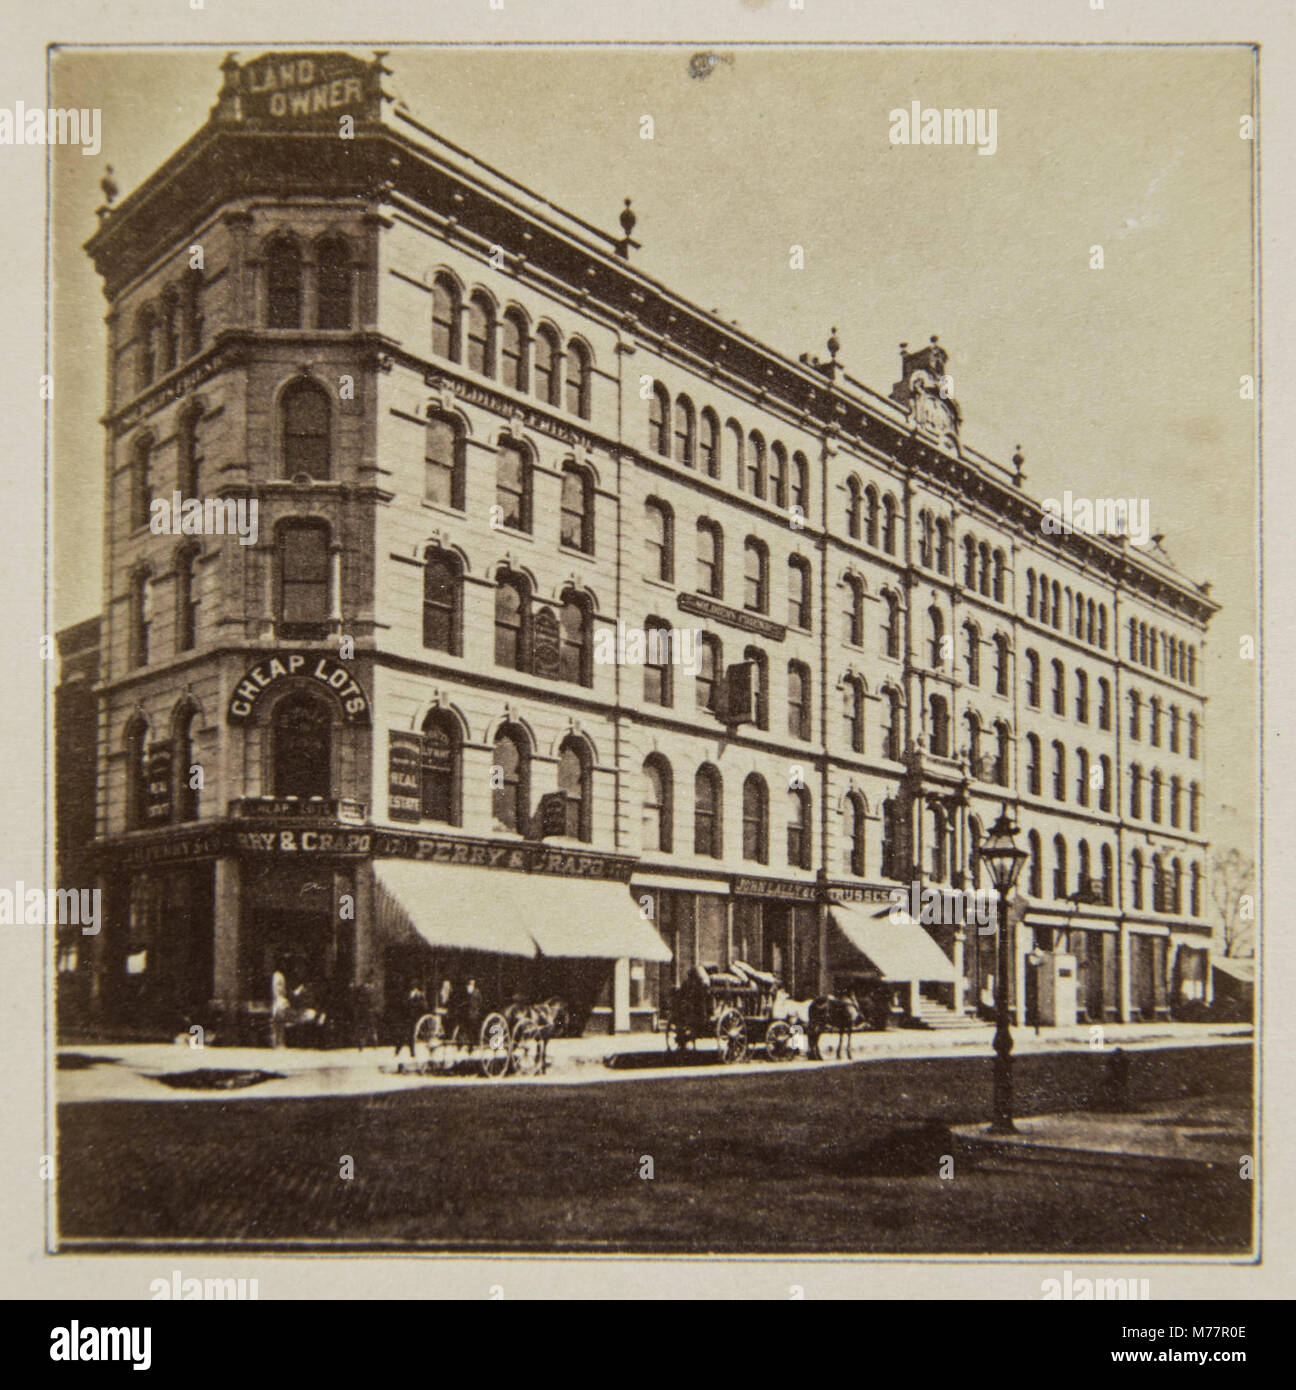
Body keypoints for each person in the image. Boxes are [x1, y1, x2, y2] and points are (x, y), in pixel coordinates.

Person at [394, 980, 428, 1058]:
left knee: (412, 1035)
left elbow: (424, 1006)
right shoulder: (406, 994)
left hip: (415, 1018)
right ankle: (398, 1050)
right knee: (403, 1034)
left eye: (414, 986)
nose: (412, 988)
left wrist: (417, 1011)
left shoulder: (420, 995)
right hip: (406, 1017)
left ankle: (412, 1052)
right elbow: (402, 1004)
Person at [269, 966, 290, 1050]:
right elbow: (278, 989)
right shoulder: (278, 976)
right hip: (279, 1001)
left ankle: (278, 1043)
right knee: (278, 1023)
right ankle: (277, 1043)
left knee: (278, 1024)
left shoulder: (277, 976)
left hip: (278, 1000)